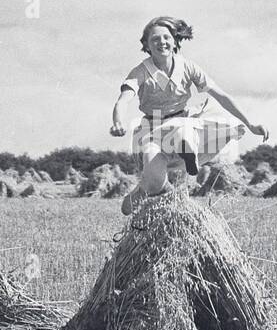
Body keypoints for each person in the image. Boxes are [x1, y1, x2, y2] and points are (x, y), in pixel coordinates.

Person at [111, 15, 268, 215]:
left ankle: (187, 151)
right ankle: (145, 188)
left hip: (183, 121)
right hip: (152, 129)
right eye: (155, 39)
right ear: (147, 45)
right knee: (154, 181)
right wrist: (117, 122)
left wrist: (251, 123)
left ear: (175, 41)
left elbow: (221, 95)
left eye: (166, 37)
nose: (162, 42)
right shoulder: (140, 72)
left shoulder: (187, 66)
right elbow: (123, 100)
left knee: (183, 131)